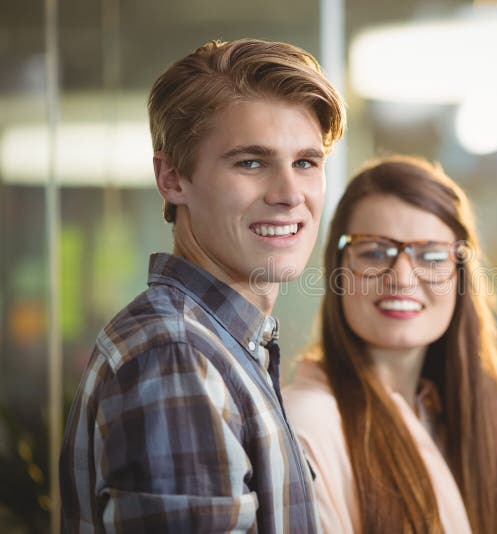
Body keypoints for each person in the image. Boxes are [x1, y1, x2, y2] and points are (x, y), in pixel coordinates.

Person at [59, 38, 345, 532]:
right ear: (172, 178)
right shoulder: (175, 354)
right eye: (251, 162)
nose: (289, 194)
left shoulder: (222, 345)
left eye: (306, 162)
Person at [283, 156, 497, 534]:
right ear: (338, 270)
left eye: (430, 255)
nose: (401, 277)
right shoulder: (308, 422)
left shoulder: (456, 416)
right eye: (375, 251)